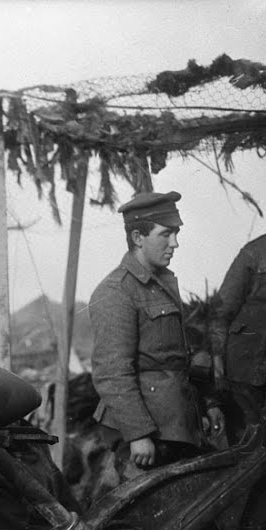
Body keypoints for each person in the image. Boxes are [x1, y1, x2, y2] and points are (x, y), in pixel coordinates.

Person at [88, 191, 224, 479]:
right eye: (166, 234)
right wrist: (138, 433)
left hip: (177, 427)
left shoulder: (161, 282)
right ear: (138, 237)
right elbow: (112, 373)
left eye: (175, 233)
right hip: (146, 435)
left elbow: (178, 360)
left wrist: (208, 404)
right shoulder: (116, 291)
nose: (175, 243)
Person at [209, 174, 266, 442]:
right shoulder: (255, 253)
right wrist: (217, 359)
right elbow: (220, 311)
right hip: (246, 370)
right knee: (248, 445)